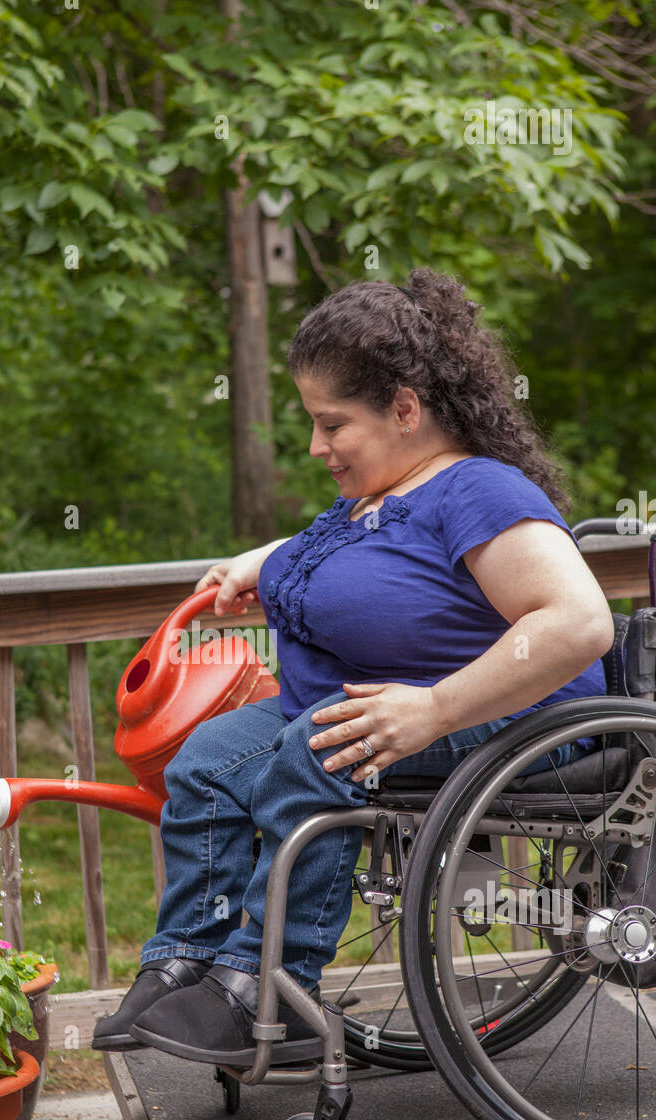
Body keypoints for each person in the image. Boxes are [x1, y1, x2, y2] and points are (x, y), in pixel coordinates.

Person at [92, 269, 615, 1066]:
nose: (315, 446)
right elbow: (356, 560)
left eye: (332, 423)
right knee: (205, 761)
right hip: (363, 704)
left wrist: (433, 710)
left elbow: (578, 623)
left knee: (321, 747)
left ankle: (267, 984)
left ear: (405, 408)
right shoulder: (379, 494)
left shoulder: (478, 490)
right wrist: (255, 564)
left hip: (507, 716)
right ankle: (182, 962)